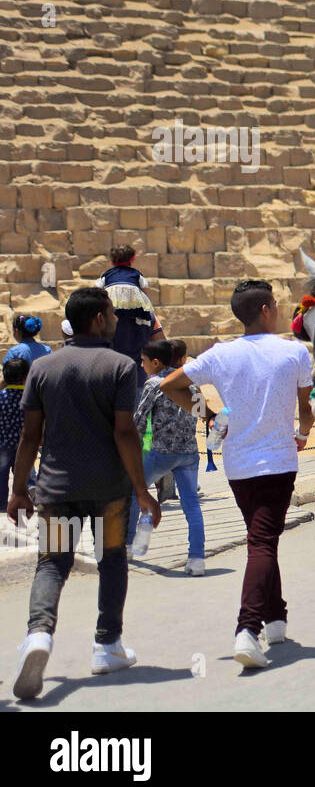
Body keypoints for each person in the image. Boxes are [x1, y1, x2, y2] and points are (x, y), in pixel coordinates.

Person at [7, 287, 161, 701]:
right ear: (97, 319)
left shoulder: (43, 368)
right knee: (112, 562)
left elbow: (29, 435)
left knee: (52, 565)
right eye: (111, 314)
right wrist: (142, 491)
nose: (116, 320)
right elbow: (125, 432)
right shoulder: (120, 366)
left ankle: (39, 636)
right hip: (109, 494)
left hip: (56, 491)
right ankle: (106, 645)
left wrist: (19, 490)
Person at [158, 280, 314, 669]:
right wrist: (302, 434)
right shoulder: (294, 351)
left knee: (264, 538)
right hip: (278, 460)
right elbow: (307, 407)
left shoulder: (220, 355)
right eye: (275, 304)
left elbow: (170, 384)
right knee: (262, 542)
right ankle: (248, 629)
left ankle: (276, 619)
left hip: (239, 464)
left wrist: (209, 416)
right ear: (265, 310)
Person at [127, 342, 205, 574]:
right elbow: (201, 412)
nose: (142, 366)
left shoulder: (154, 384)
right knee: (191, 504)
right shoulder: (190, 383)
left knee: (133, 491)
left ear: (156, 362)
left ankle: (129, 545)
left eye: (143, 361)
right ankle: (197, 558)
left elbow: (138, 422)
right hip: (190, 452)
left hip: (162, 453)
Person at [95, 245, 164, 391]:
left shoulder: (105, 275)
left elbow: (97, 291)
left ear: (112, 260)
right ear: (132, 259)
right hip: (136, 313)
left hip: (112, 308)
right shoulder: (137, 275)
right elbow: (144, 290)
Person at [1, 358, 36, 504]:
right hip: (24, 445)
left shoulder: (1, 397)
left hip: (2, 445)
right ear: (26, 376)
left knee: (1, 476)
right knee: (24, 472)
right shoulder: (31, 398)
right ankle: (29, 490)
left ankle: (2, 504)